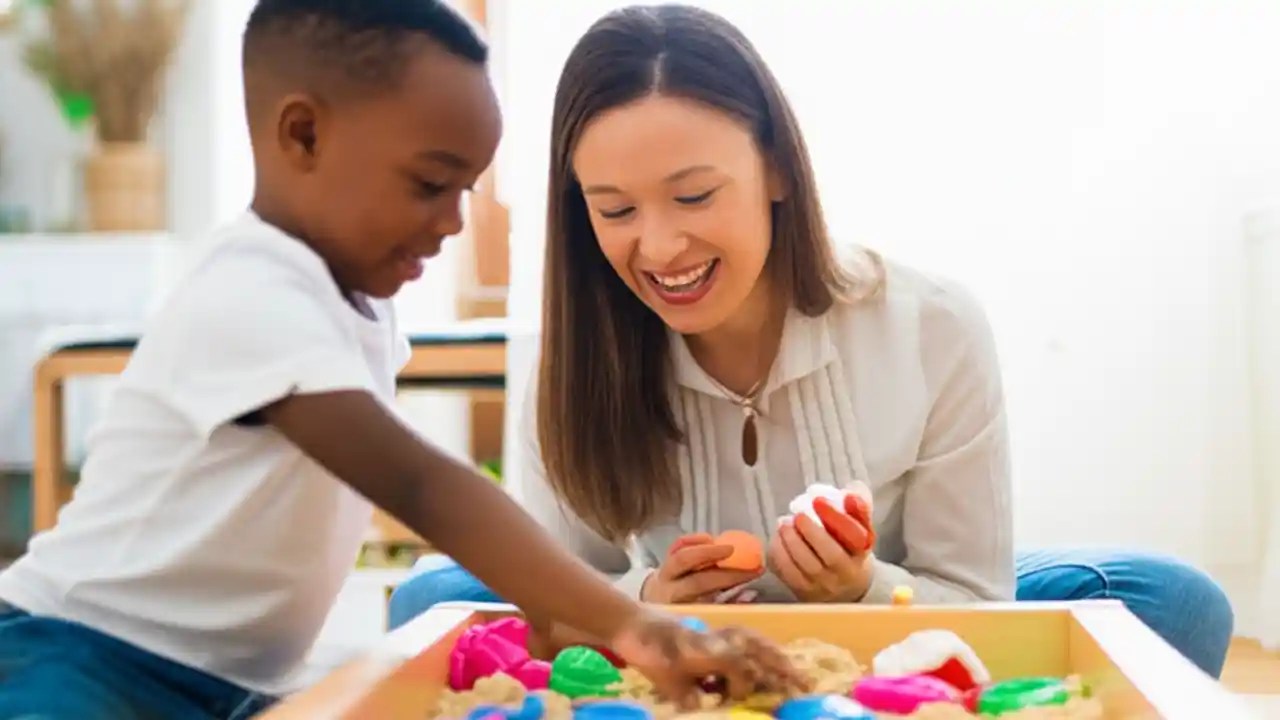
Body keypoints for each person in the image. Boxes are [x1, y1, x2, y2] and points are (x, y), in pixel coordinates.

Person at [0, 2, 807, 718]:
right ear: (303, 134)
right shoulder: (249, 293)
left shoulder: (358, 299)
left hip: (225, 682)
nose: (455, 222)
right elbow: (417, 481)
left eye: (467, 190)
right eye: (430, 184)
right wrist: (638, 626)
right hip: (79, 650)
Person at [389, 3, 1236, 679]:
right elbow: (561, 595)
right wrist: (646, 595)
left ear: (779, 171)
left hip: (891, 628)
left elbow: (974, 596)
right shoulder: (566, 354)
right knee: (428, 599)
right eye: (614, 210)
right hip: (667, 644)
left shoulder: (931, 326)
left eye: (693, 196)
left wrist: (859, 586)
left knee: (1173, 602)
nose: (657, 248)